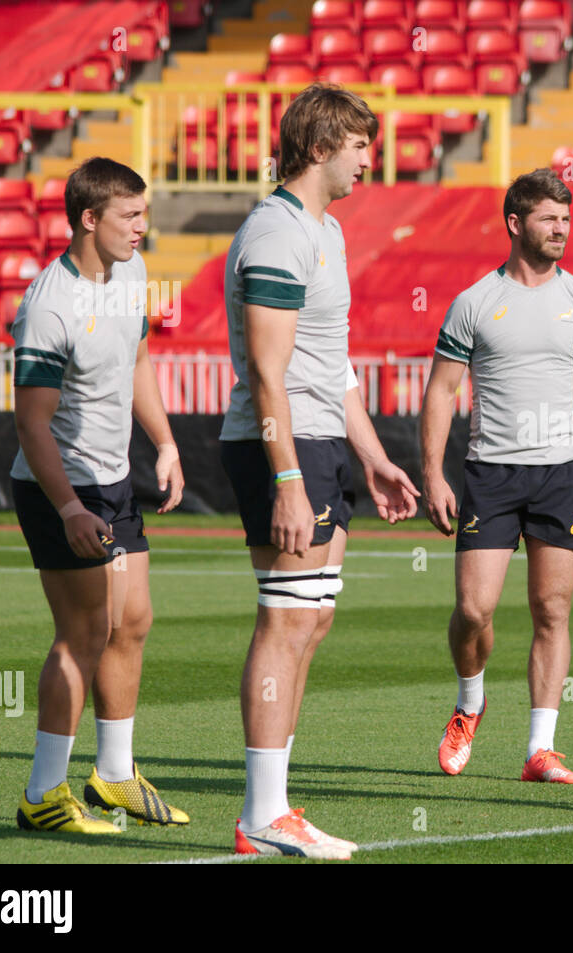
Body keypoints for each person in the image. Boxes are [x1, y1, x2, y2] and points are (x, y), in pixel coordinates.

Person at [220, 84, 419, 858]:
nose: (370, 156)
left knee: (314, 616)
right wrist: (288, 479)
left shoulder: (325, 232)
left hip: (322, 443)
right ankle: (261, 814)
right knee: (287, 616)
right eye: (360, 143)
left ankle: (274, 807)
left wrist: (372, 457)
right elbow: (269, 374)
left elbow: (330, 368)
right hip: (282, 447)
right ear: (318, 147)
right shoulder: (275, 232)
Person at [12, 157, 188, 834]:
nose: (144, 227)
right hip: (61, 489)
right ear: (90, 219)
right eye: (132, 215)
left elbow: (137, 357)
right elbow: (30, 425)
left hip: (113, 480)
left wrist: (165, 442)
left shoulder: (131, 272)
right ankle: (42, 794)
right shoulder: (50, 305)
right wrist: (69, 509)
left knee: (132, 620)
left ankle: (114, 774)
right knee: (82, 633)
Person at [421, 169, 573, 785]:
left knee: (553, 609)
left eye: (567, 219)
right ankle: (470, 703)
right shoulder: (473, 302)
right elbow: (441, 391)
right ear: (516, 224)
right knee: (474, 609)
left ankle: (540, 749)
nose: (561, 230)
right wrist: (434, 475)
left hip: (564, 474)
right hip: (490, 474)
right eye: (550, 218)